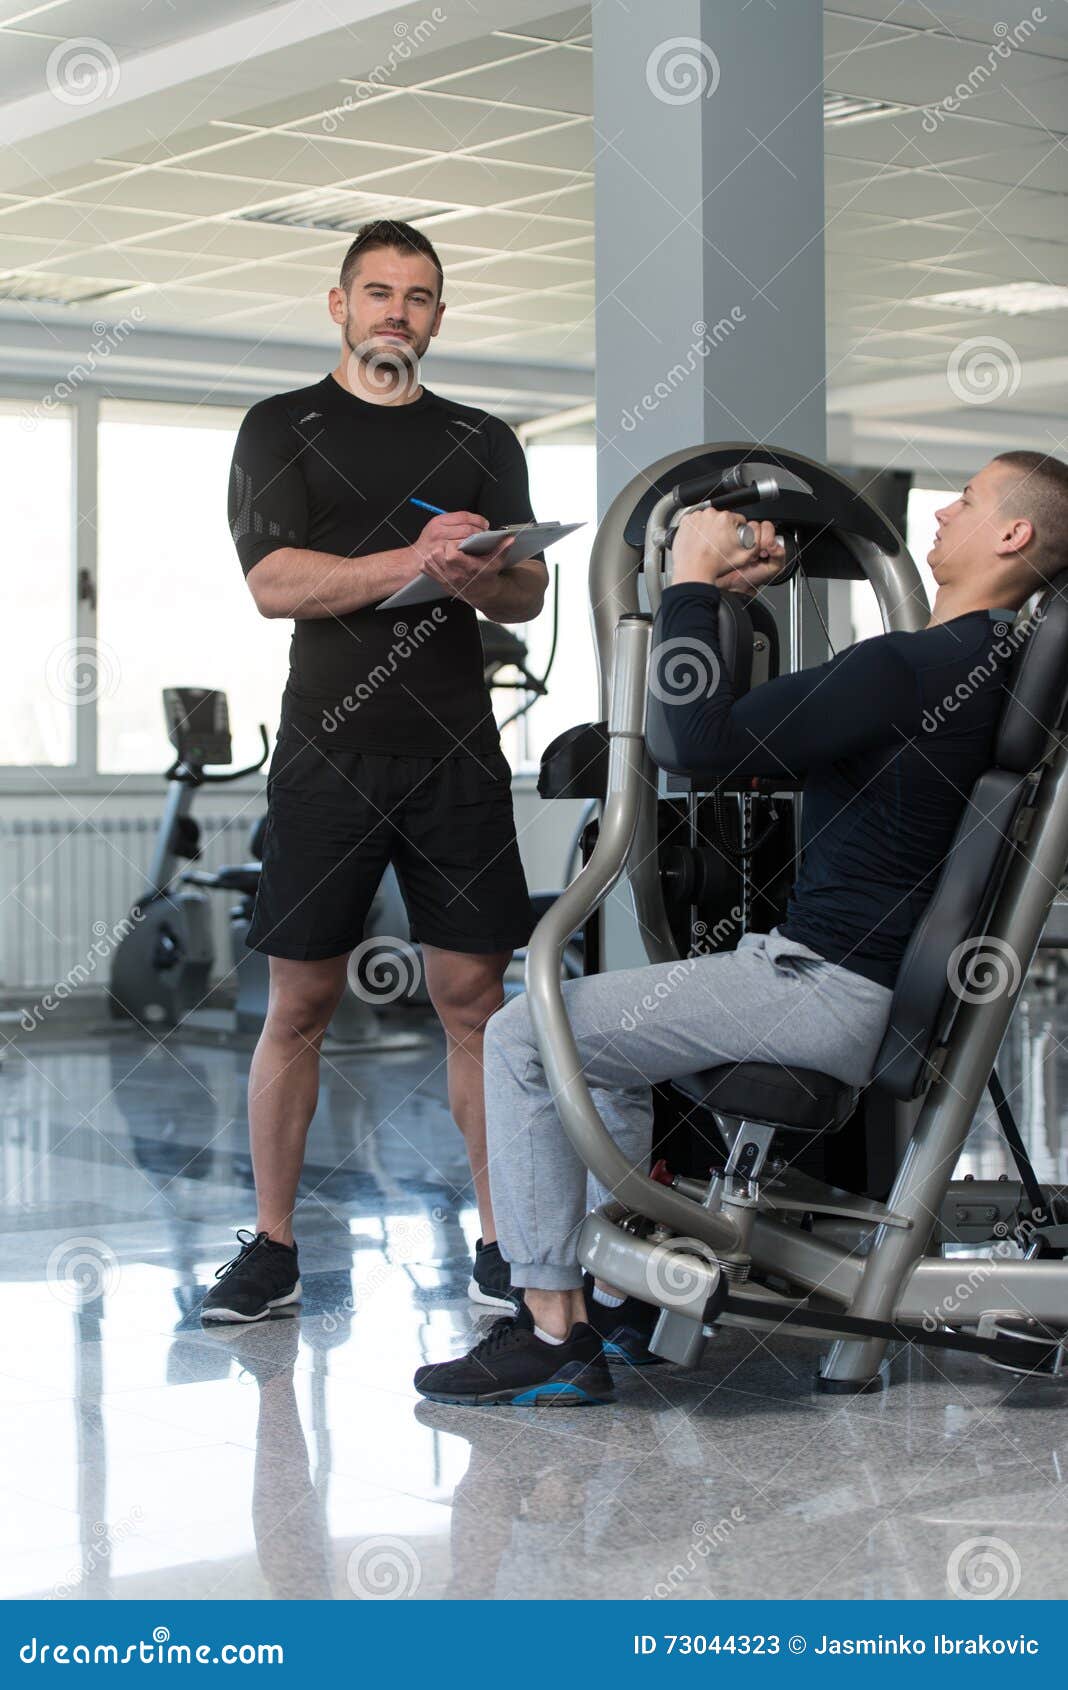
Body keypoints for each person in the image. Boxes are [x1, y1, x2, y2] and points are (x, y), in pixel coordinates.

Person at [413, 450, 1068, 1406]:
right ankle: (616, 1297)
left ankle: (548, 1326)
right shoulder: (982, 671)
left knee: (524, 1032)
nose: (939, 518)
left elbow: (696, 745)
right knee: (603, 1051)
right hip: (840, 983)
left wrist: (684, 582)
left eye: (964, 503)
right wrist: (712, 599)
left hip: (817, 987)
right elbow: (791, 739)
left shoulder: (912, 667)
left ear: (1013, 535)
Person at [202, 219, 547, 1323]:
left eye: (421, 295)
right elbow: (275, 582)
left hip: (456, 752)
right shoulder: (280, 428)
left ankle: (506, 1241)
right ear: (340, 304)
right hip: (327, 753)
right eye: (380, 291)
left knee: (476, 1004)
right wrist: (420, 558)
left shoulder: (485, 436)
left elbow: (527, 590)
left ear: (439, 317)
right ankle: (271, 1246)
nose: (400, 310)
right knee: (300, 1002)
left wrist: (485, 574)